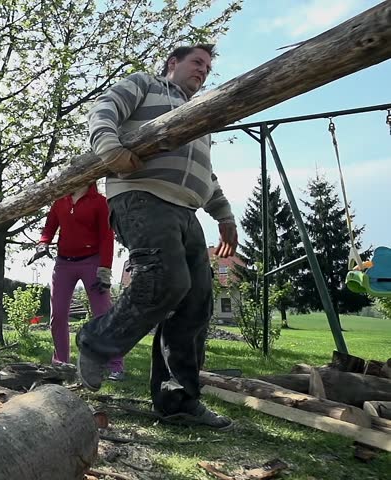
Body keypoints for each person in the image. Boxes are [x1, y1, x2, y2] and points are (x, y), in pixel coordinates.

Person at [77, 44, 239, 430]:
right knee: (166, 279)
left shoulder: (198, 116)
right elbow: (103, 109)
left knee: (196, 302)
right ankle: (97, 343)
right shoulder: (145, 85)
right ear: (172, 63)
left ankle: (178, 401)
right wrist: (109, 149)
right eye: (196, 62)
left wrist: (225, 214)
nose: (203, 70)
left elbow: (205, 173)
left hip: (186, 210)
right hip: (140, 195)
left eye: (208, 66)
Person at [30, 181, 124, 380]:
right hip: (64, 263)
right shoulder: (60, 201)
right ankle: (61, 364)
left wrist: (105, 270)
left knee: (103, 315)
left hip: (92, 262)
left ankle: (115, 365)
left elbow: (107, 237)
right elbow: (49, 228)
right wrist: (43, 244)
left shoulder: (100, 202)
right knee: (58, 314)